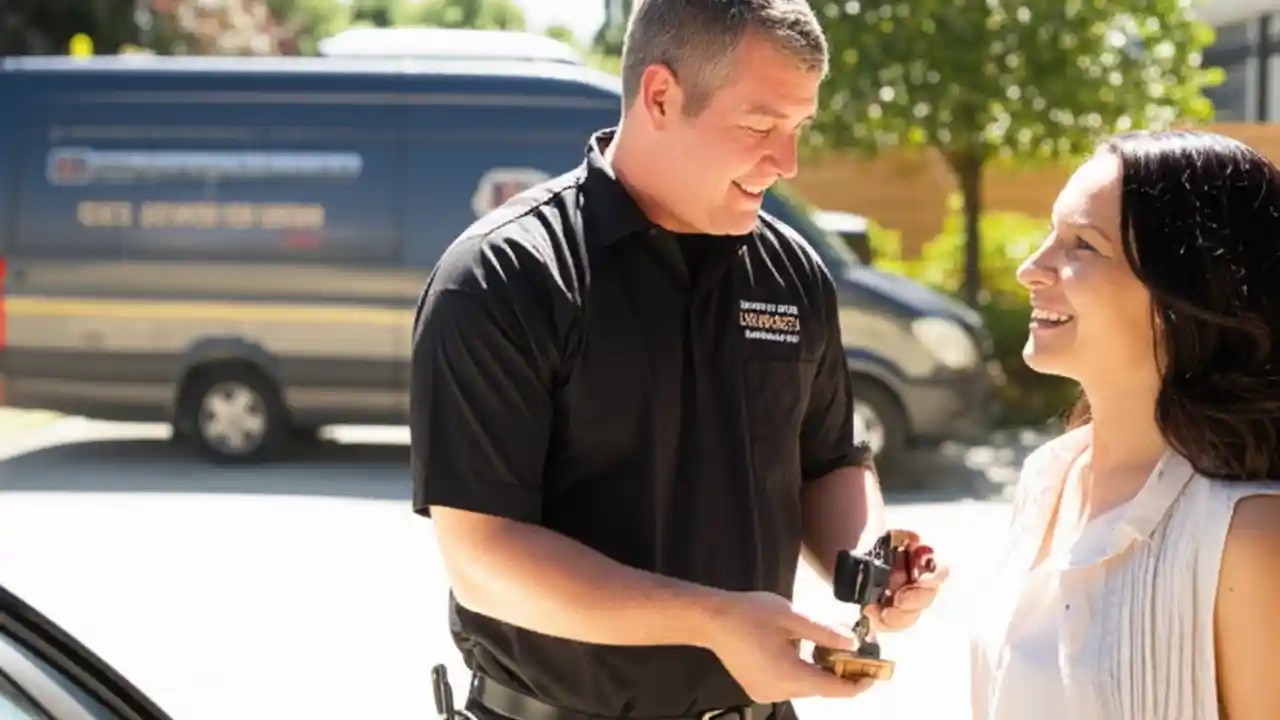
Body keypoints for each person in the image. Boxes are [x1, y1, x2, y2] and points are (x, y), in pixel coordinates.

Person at [410, 2, 947, 719]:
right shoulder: (504, 276)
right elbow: (484, 558)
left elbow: (828, 462)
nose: (786, 163)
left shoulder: (793, 274)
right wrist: (713, 621)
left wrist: (872, 567)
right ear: (660, 95)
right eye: (760, 127)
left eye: (798, 130)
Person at [969, 129, 1280, 720]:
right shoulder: (1048, 478)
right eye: (1050, 235)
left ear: (1182, 294)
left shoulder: (1251, 538)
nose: (1031, 269)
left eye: (1082, 245)